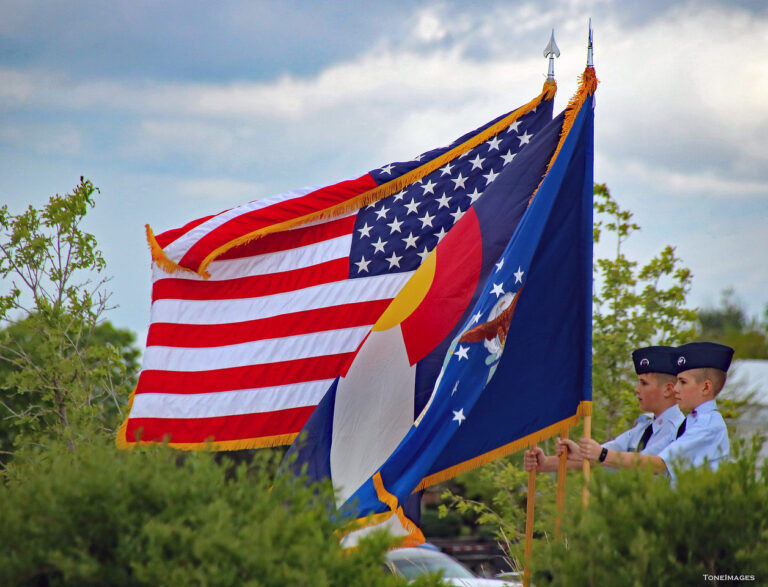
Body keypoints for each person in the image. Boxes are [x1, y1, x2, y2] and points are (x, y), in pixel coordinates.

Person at [574, 342, 733, 481]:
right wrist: (582, 452)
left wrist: (602, 454)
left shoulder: (708, 426)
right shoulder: (690, 423)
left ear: (706, 387)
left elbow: (659, 464)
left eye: (683, 382)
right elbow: (646, 457)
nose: (676, 389)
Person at [524, 345, 684, 473]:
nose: (636, 389)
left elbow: (653, 464)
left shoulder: (680, 429)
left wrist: (601, 454)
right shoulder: (644, 428)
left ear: (668, 390)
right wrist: (546, 463)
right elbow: (601, 457)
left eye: (644, 383)